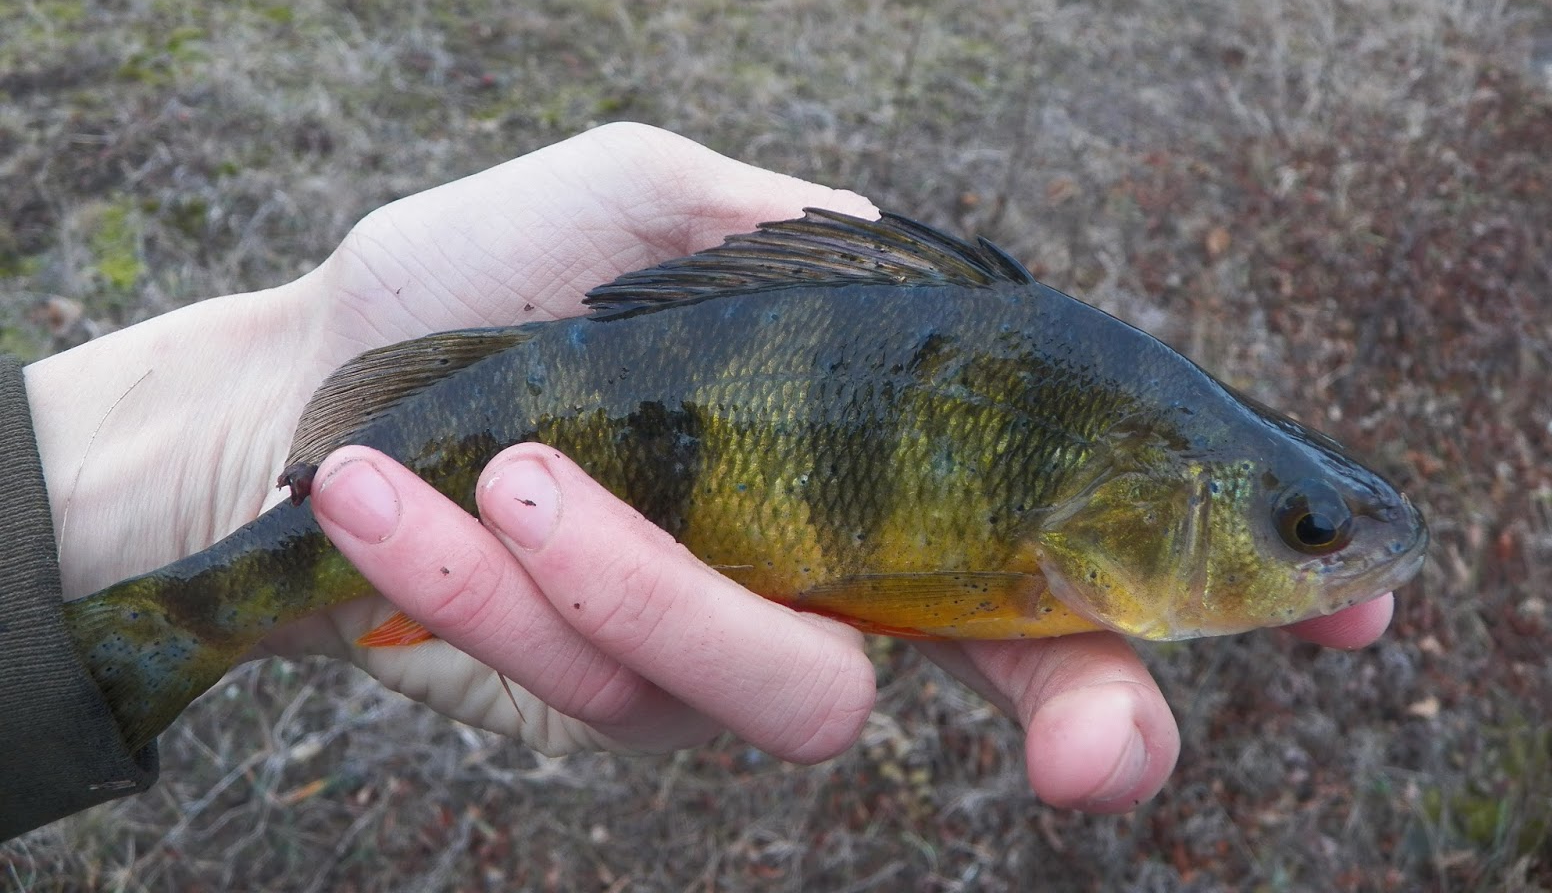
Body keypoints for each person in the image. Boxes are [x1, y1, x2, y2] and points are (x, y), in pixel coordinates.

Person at [2, 122, 1394, 840]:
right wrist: (251, 412)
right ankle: (164, 628)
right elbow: (889, 595)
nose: (1323, 553)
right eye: (1303, 526)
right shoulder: (1049, 504)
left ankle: (157, 624)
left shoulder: (1085, 434)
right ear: (1157, 496)